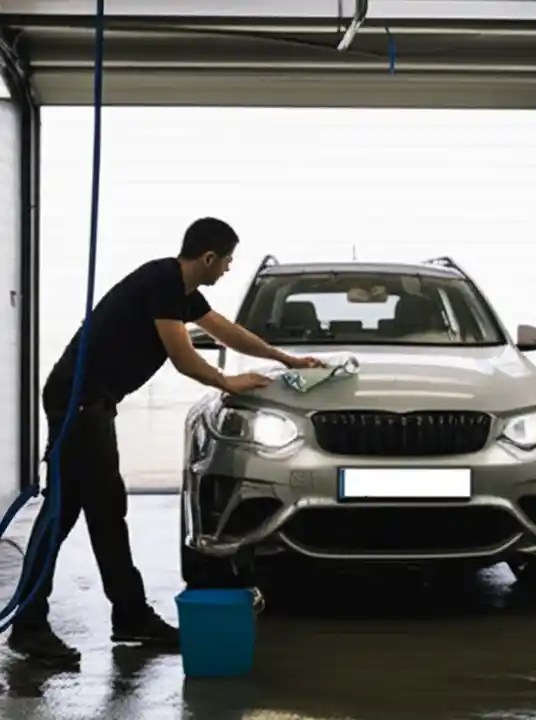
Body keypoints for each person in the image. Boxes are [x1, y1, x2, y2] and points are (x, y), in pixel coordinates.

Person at [6, 217, 323, 666]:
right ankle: (40, 624)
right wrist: (226, 382)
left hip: (89, 403)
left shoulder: (179, 290)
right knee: (72, 514)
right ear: (209, 257)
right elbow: (182, 356)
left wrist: (282, 357)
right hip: (79, 403)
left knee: (93, 511)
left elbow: (224, 330)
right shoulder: (162, 281)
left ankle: (119, 617)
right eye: (228, 260)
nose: (229, 269)